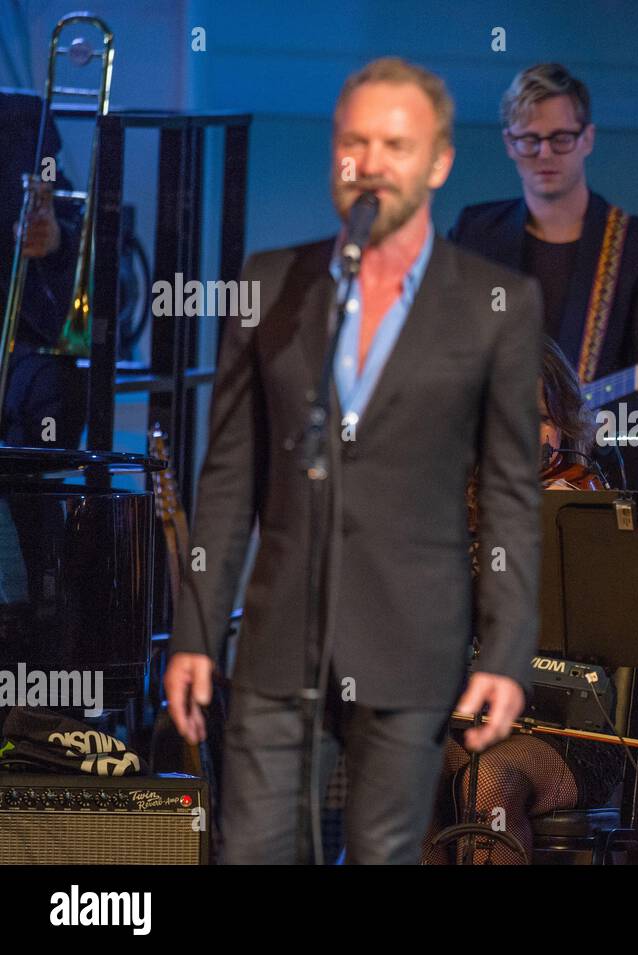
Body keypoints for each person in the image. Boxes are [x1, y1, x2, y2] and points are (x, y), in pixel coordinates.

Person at [163, 57, 543, 865]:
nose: (370, 161)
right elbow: (229, 475)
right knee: (254, 852)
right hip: (278, 641)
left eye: (395, 144)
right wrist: (196, 630)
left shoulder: (493, 305)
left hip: (412, 643)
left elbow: (513, 495)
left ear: (438, 162)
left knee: (381, 853)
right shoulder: (272, 282)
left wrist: (507, 652)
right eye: (355, 141)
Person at [422, 338, 622, 864]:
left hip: (568, 731)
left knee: (489, 781)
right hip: (465, 715)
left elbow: (617, 637)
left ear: (563, 424)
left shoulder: (588, 509)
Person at [449, 63, 638, 490]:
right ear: (509, 143)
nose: (544, 154)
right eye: (529, 140)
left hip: (609, 472)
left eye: (560, 138)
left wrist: (570, 432)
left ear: (587, 138)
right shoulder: (476, 232)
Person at [0, 90, 84, 448]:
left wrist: (54, 240)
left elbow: (66, 218)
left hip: (16, 343)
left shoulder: (21, 119)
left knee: (49, 390)